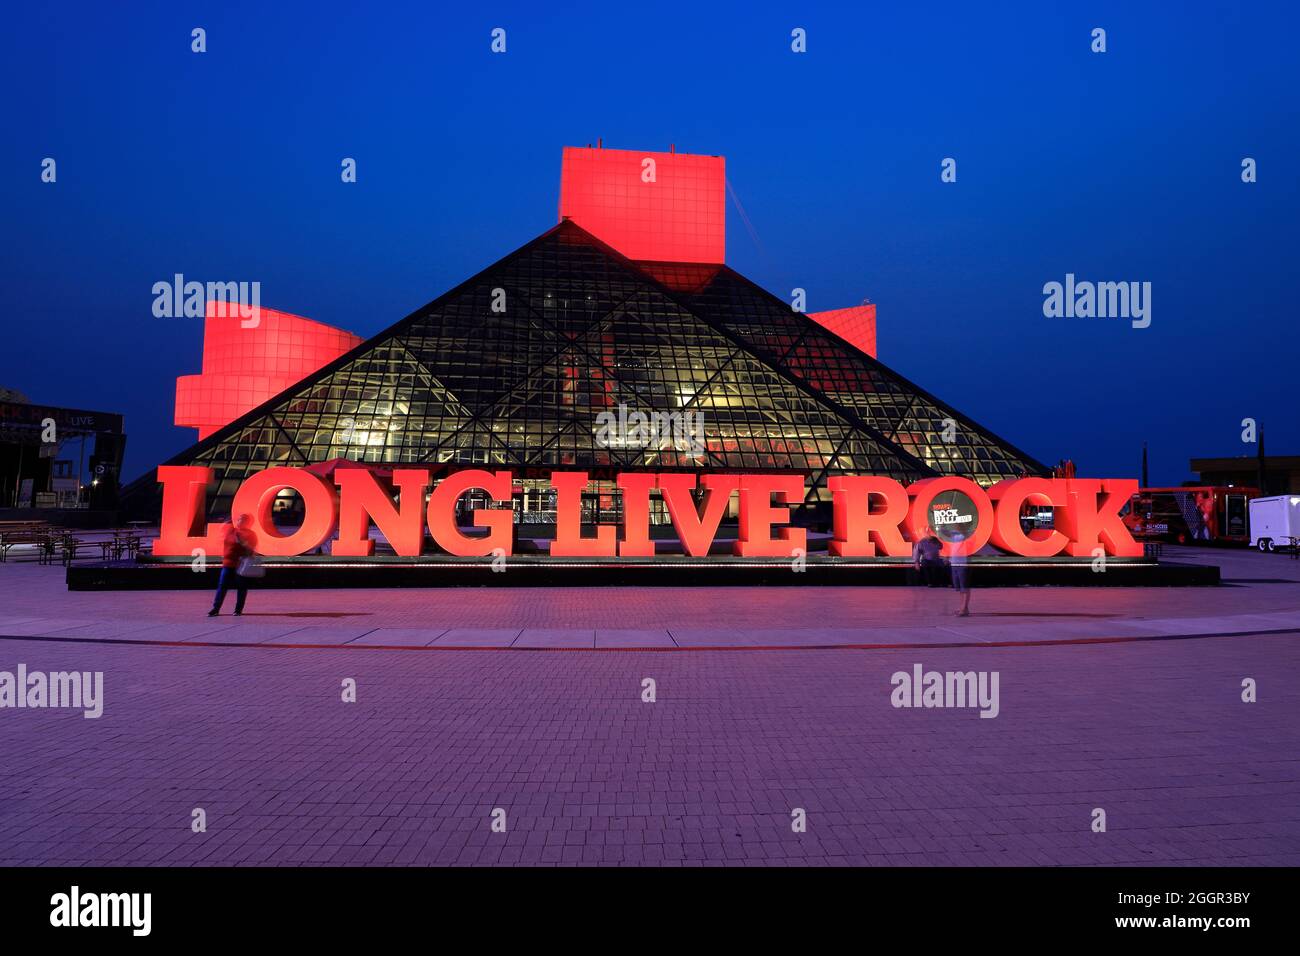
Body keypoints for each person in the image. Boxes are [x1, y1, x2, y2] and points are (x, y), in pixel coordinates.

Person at [209, 514, 257, 617]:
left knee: (241, 587)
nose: (240, 521)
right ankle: (216, 608)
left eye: (243, 520)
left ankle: (238, 610)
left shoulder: (251, 534)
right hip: (227, 563)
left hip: (241, 565)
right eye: (239, 519)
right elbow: (223, 538)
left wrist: (242, 542)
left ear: (248, 523)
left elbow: (251, 551)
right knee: (222, 586)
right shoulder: (231, 531)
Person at [949, 530, 971, 617]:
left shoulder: (963, 535)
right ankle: (963, 607)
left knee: (964, 587)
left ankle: (964, 608)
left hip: (963, 564)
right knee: (960, 588)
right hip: (954, 564)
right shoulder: (954, 538)